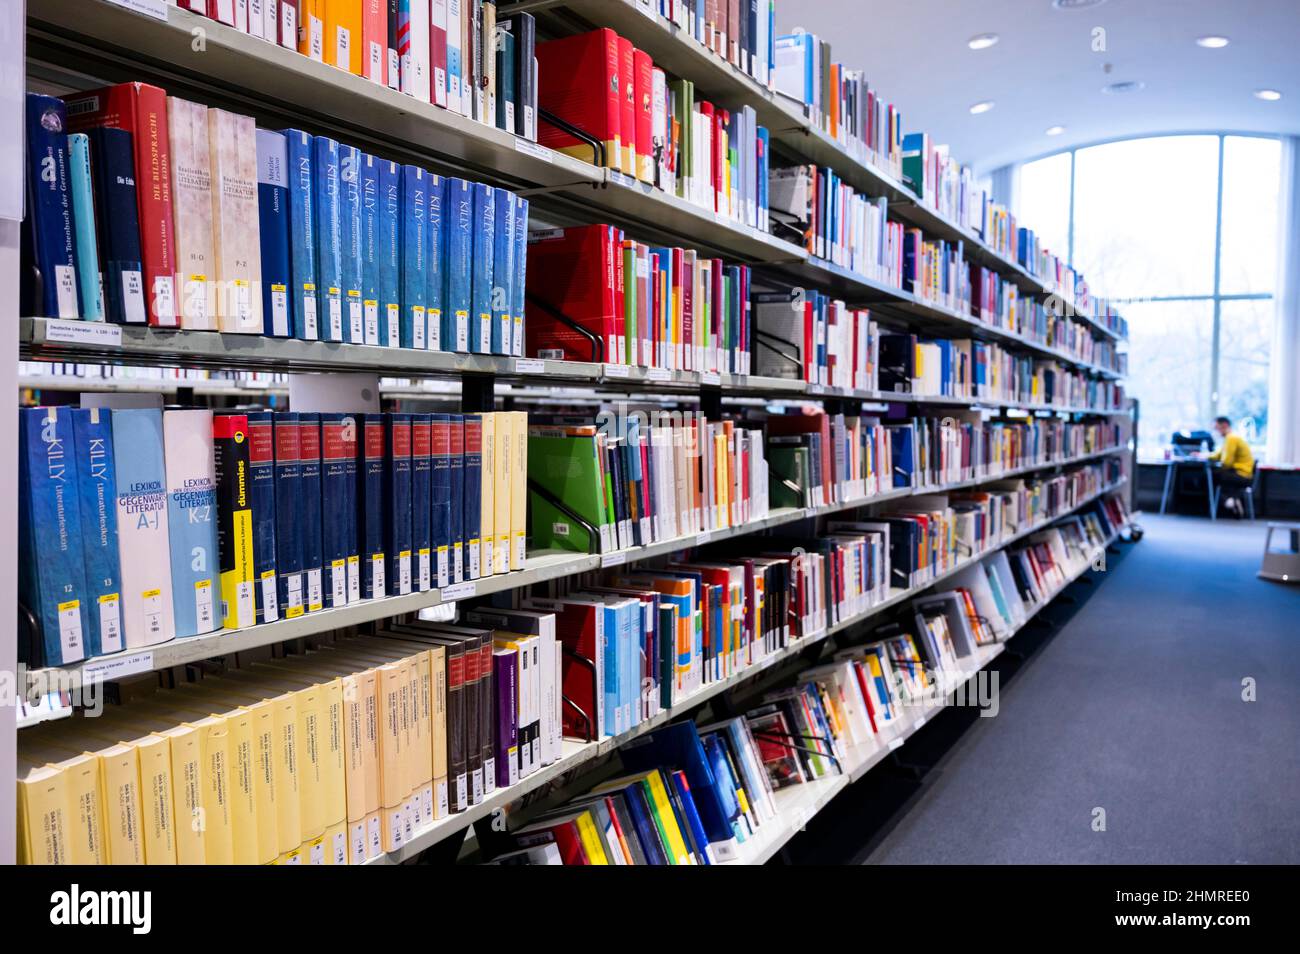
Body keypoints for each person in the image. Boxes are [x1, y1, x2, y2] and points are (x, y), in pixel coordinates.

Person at [1196, 416, 1255, 517]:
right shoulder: (1231, 438)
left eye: (1216, 428)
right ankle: (1231, 499)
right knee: (1214, 475)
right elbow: (1218, 454)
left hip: (1241, 475)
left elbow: (1226, 463)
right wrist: (1203, 455)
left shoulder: (1231, 438)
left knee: (1206, 477)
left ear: (1224, 425)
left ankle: (1228, 501)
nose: (1216, 431)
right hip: (1243, 475)